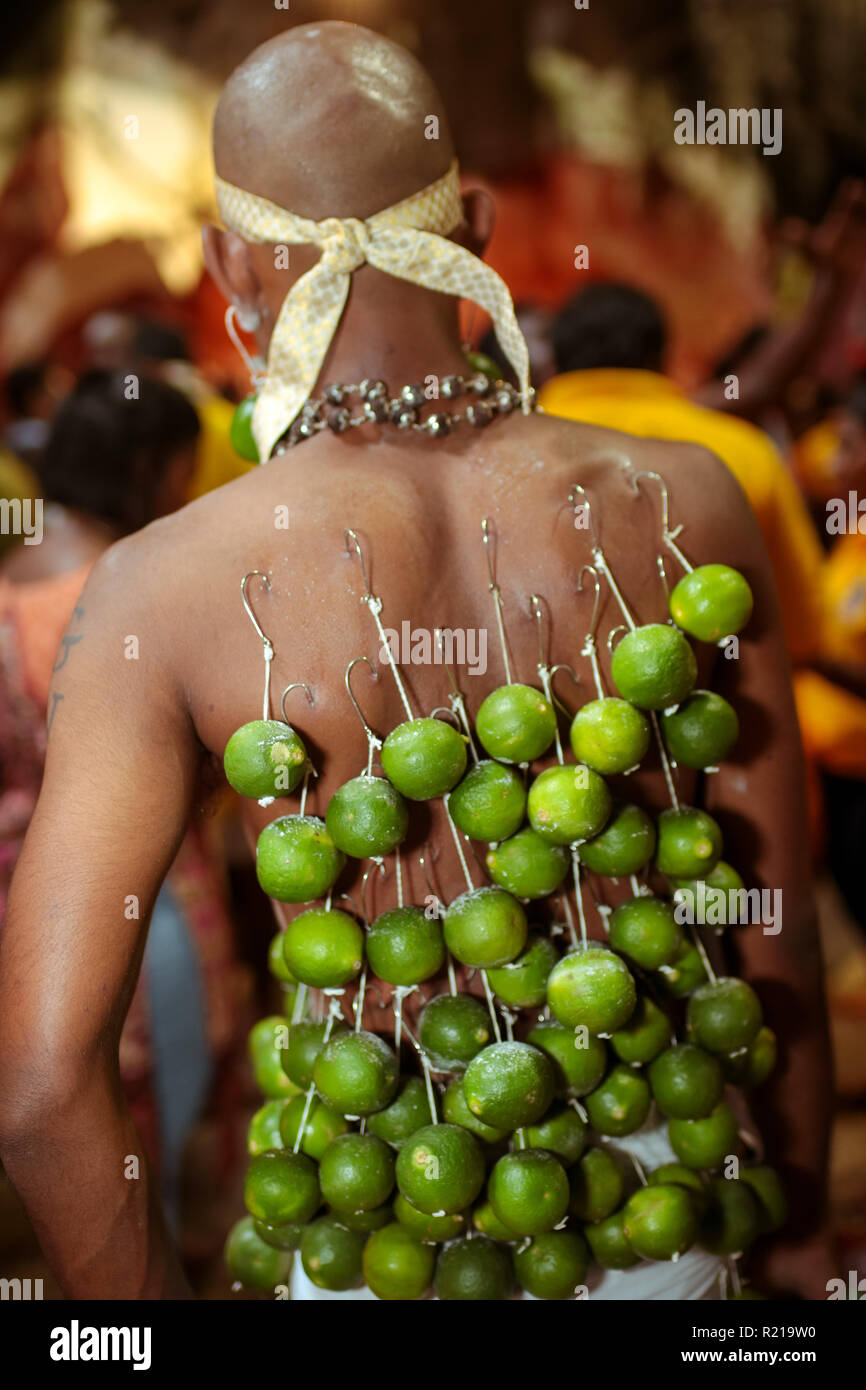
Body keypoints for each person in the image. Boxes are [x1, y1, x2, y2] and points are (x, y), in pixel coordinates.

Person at [0, 23, 831, 1301]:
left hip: (375, 1236)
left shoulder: (163, 586)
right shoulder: (687, 504)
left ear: (230, 261)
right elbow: (765, 938)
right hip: (661, 1215)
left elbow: (45, 1088)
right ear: (477, 224)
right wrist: (780, 1240)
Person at [0, 369, 245, 1222]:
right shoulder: (128, 592)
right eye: (182, 468)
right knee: (153, 1138)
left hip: (22, 907)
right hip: (153, 908)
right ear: (148, 467)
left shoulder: (10, 582)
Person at [539, 283, 826, 667]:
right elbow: (803, 631)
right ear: (662, 359)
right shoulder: (744, 452)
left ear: (553, 364)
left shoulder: (493, 459)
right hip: (719, 708)